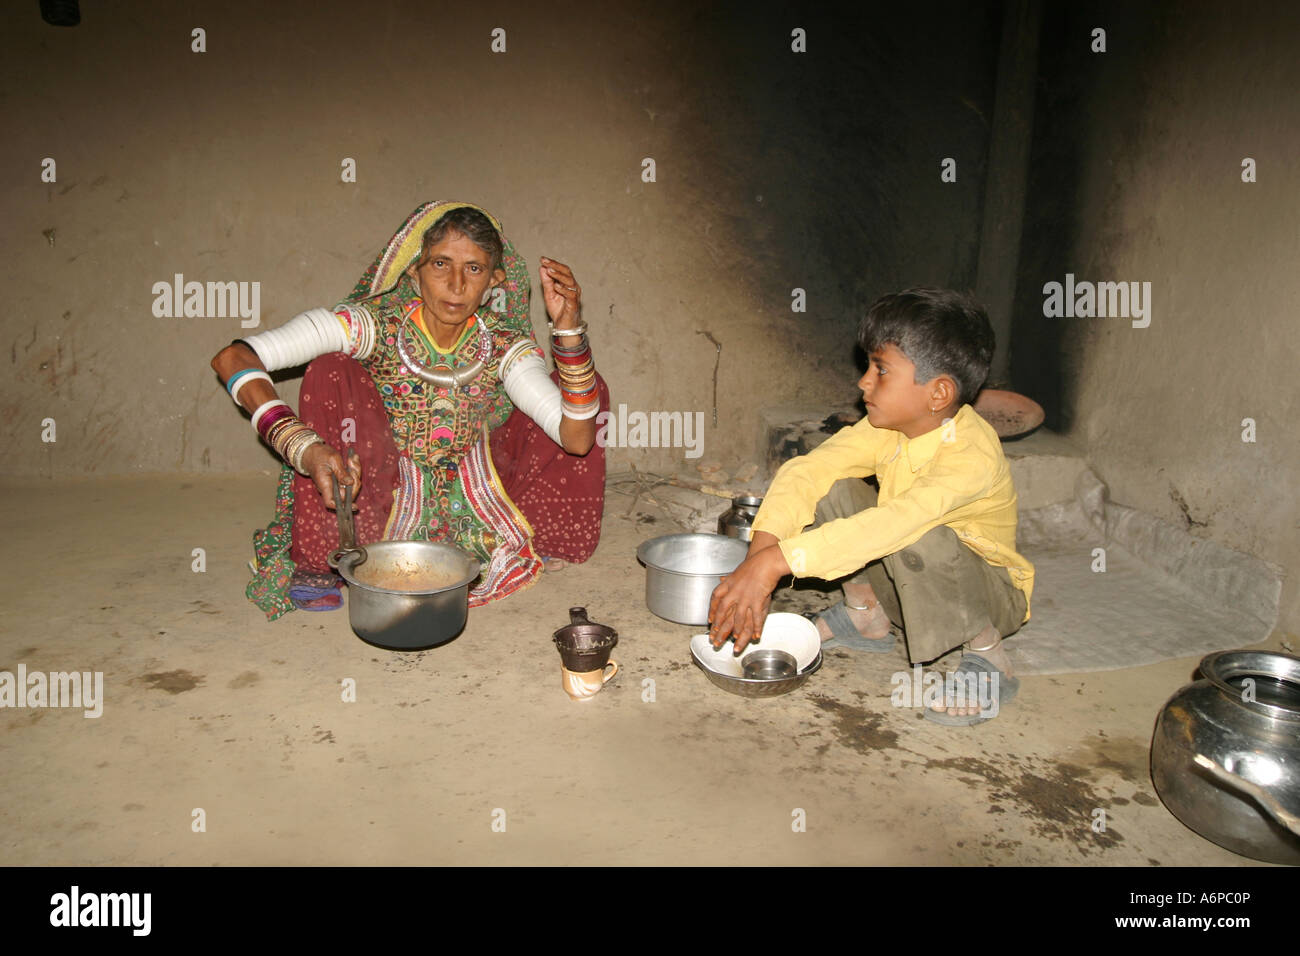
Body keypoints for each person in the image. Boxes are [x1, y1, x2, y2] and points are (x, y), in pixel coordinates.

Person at [210, 201, 609, 618]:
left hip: (482, 490)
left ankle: (538, 535)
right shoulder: (373, 324)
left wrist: (567, 329)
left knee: (585, 388)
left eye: (473, 269)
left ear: (495, 281)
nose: (456, 284)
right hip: (384, 489)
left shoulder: (505, 345)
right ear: (415, 275)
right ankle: (329, 554)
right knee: (331, 369)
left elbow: (576, 439)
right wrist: (302, 447)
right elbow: (233, 359)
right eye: (440, 264)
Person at [707, 288, 1034, 725]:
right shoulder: (890, 426)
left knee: (918, 533)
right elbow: (808, 471)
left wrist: (776, 564)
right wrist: (758, 560)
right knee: (832, 485)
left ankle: (990, 659)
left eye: (881, 370)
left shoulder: (971, 454)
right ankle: (867, 618)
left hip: (987, 597)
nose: (863, 382)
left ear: (938, 393)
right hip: (910, 582)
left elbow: (896, 523)